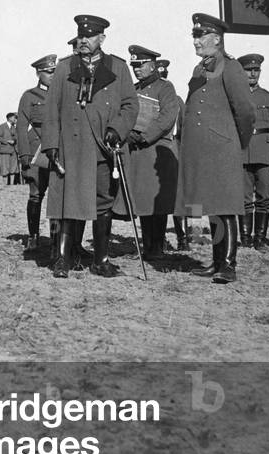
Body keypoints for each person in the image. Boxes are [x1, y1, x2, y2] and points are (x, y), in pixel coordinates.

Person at [41, 15, 138, 278]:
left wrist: (117, 129)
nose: (84, 40)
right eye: (81, 36)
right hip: (71, 148)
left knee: (103, 202)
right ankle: (63, 259)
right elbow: (51, 109)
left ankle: (101, 260)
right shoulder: (65, 67)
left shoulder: (118, 67)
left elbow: (131, 104)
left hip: (103, 146)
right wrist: (51, 144)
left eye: (90, 36)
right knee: (68, 201)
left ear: (101, 38)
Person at [177, 13, 255, 283]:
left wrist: (235, 143)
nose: (196, 41)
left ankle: (229, 265)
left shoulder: (231, 67)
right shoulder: (200, 69)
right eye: (194, 36)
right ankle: (217, 261)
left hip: (222, 149)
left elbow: (245, 111)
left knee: (226, 206)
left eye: (201, 36)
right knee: (212, 206)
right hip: (201, 151)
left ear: (217, 39)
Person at [124, 45, 180, 260]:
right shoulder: (134, 89)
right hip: (138, 152)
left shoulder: (165, 87)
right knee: (142, 200)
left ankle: (156, 247)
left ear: (153, 66)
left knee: (158, 202)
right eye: (134, 66)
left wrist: (145, 136)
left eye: (141, 65)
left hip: (156, 151)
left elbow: (168, 116)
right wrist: (128, 133)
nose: (137, 69)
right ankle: (147, 247)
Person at [237, 53, 269, 249]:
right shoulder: (235, 97)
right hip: (241, 153)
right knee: (244, 198)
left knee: (264, 198)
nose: (252, 73)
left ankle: (260, 239)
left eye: (256, 70)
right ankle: (245, 239)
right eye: (248, 70)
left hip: (265, 155)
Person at [17, 54, 57, 256]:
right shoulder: (29, 96)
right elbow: (21, 127)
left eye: (54, 72)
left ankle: (57, 240)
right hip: (37, 152)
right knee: (35, 194)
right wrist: (24, 155)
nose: (52, 75)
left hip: (58, 151)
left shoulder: (62, 94)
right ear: (38, 73)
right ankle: (33, 237)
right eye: (48, 72)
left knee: (57, 196)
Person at [155, 58, 192, 252]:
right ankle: (158, 241)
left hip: (174, 150)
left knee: (180, 197)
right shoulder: (147, 98)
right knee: (157, 196)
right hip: (154, 151)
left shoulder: (177, 101)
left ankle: (184, 239)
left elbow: (185, 129)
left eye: (164, 77)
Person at [0, 113, 18, 185]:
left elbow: (16, 137)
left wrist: (14, 141)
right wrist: (7, 141)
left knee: (13, 169)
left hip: (13, 151)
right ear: (10, 118)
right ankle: (4, 185)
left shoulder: (14, 127)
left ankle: (12, 184)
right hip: (5, 151)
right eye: (14, 118)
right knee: (4, 169)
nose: (15, 119)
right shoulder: (2, 126)